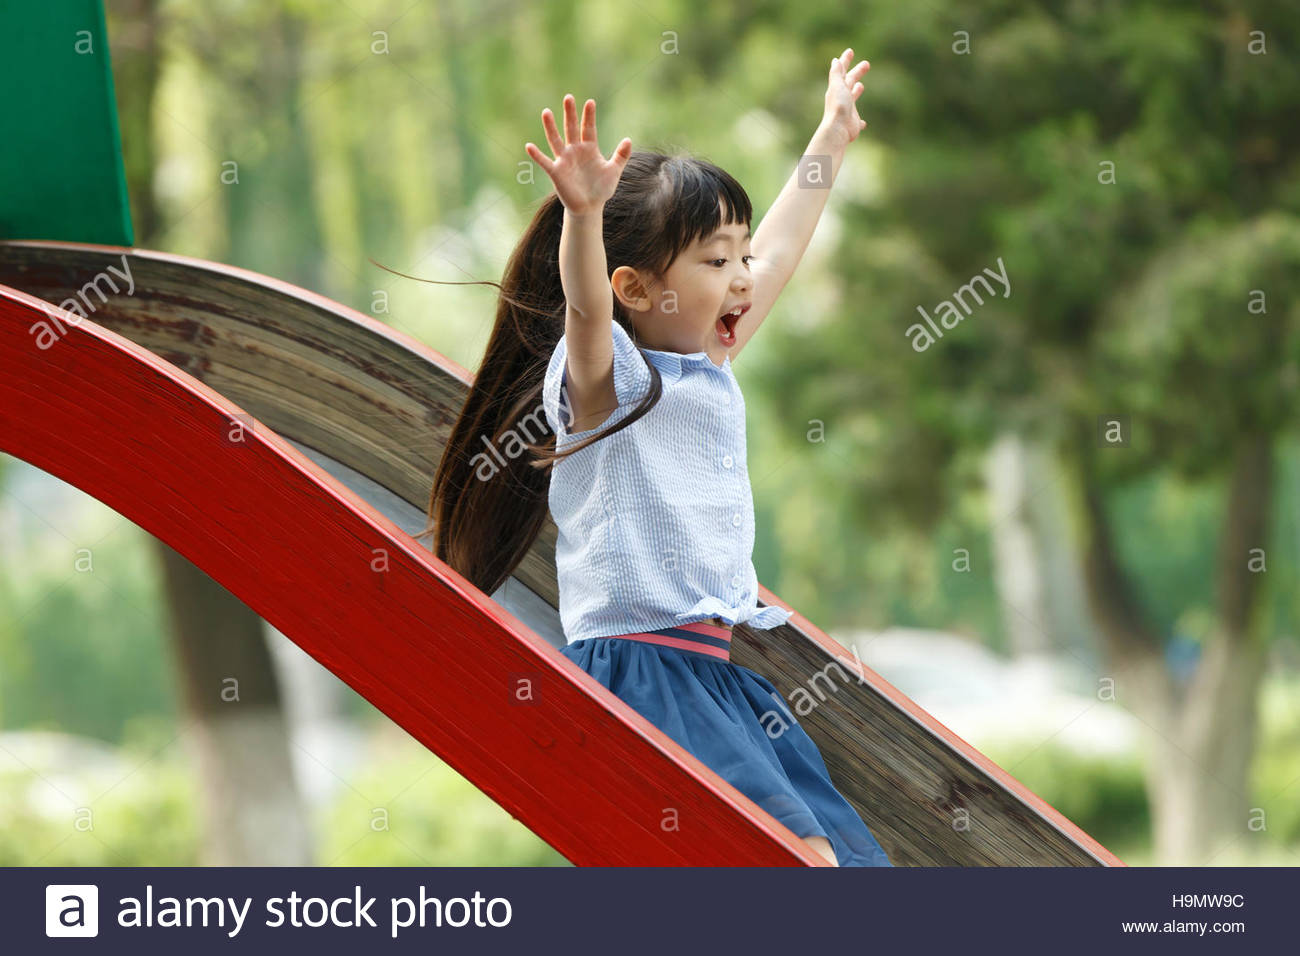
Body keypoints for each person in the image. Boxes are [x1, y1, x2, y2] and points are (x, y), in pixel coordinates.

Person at [423, 49, 890, 867]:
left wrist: (830, 140)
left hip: (716, 676)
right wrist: (583, 218)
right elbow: (586, 308)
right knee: (799, 860)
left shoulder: (709, 361)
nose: (743, 279)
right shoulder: (611, 387)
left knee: (849, 865)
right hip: (640, 672)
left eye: (738, 256)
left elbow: (778, 253)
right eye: (717, 261)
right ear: (639, 289)